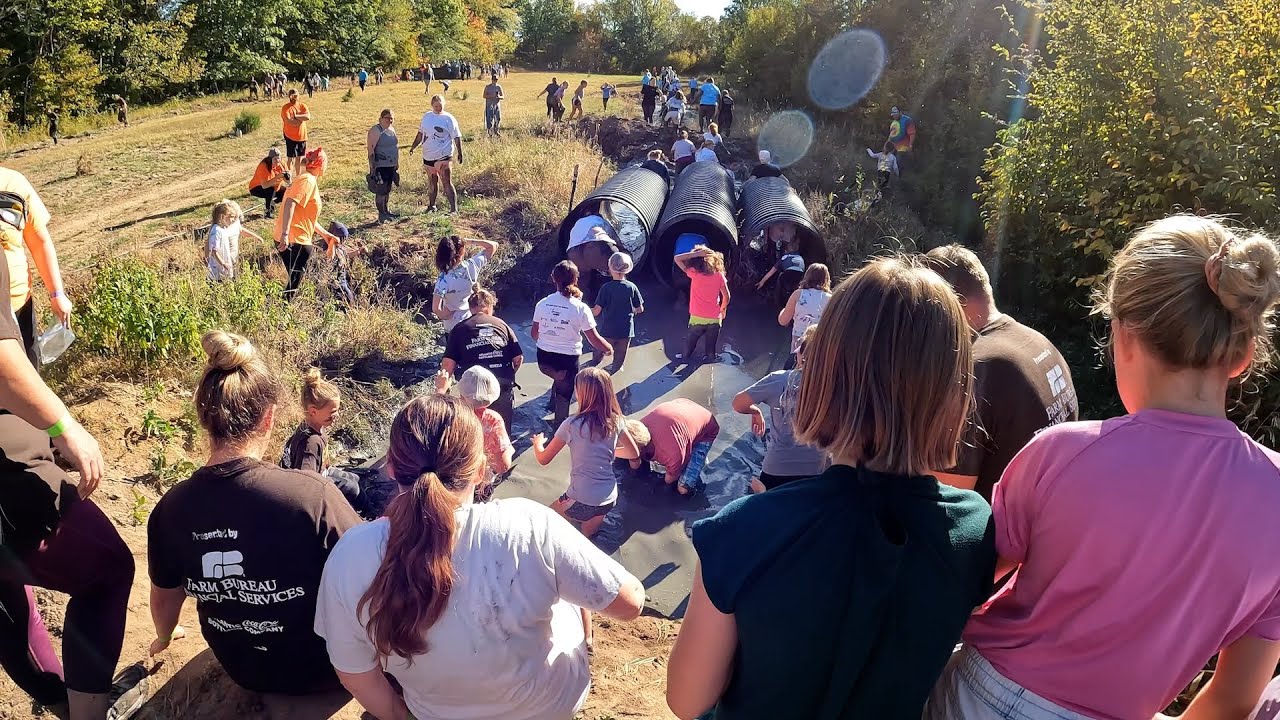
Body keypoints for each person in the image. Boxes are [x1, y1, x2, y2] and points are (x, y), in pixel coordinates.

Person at [925, 215, 1280, 720]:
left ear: (1124, 334)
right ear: (1243, 354)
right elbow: (1233, 699)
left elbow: (965, 581)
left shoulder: (1061, 453)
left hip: (988, 698)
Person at [667, 257, 995, 720]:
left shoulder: (743, 530)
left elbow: (686, 700)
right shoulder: (975, 531)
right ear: (955, 395)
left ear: (819, 376)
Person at [314, 394, 645, 720]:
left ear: (390, 467)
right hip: (548, 707)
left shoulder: (351, 554)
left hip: (437, 713)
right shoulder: (530, 523)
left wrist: (402, 715)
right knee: (567, 590)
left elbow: (353, 670)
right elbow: (630, 604)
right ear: (480, 470)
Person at [147, 331, 361, 695]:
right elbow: (370, 577)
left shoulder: (170, 509)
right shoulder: (313, 496)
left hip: (242, 668)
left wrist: (165, 637)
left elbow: (165, 598)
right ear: (268, 418)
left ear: (203, 418)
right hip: (325, 668)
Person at [0, 236, 135, 719]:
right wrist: (62, 422)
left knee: (9, 599)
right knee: (107, 569)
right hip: (7, 473)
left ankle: (65, 706)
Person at [920, 245, 1078, 499]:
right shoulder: (1039, 343)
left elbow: (946, 502)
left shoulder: (972, 371)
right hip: (1051, 516)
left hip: (999, 533)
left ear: (940, 302)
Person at [531, 367, 640, 538]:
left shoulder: (571, 424)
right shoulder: (617, 421)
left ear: (579, 392)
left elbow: (544, 459)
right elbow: (634, 453)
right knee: (586, 538)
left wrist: (537, 444)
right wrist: (606, 453)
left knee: (544, 520)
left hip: (580, 498)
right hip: (609, 497)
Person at [733, 325, 828, 493]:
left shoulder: (779, 380)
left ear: (801, 357)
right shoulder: (839, 388)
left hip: (777, 468)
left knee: (768, 512)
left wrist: (755, 411)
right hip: (817, 470)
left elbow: (738, 403)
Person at [0, 166, 73, 364]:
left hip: (19, 305)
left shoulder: (13, 183)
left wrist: (57, 294)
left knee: (29, 373)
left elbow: (39, 242)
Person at [532, 261, 613, 427]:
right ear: (576, 279)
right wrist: (608, 348)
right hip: (567, 361)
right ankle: (559, 427)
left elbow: (534, 334)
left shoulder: (542, 303)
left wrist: (551, 339)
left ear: (553, 279)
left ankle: (550, 405)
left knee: (558, 376)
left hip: (544, 361)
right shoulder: (580, 308)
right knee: (565, 393)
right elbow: (593, 338)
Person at [280, 367, 364, 513]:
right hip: (314, 483)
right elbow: (306, 483)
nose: (336, 415)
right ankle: (359, 515)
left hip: (322, 471)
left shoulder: (312, 424)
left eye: (337, 410)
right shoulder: (311, 443)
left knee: (355, 478)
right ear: (313, 411)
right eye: (332, 413)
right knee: (353, 489)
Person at [437, 287, 523, 430]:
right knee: (501, 430)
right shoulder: (502, 325)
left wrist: (443, 389)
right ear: (490, 306)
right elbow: (518, 359)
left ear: (470, 308)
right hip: (501, 383)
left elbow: (448, 364)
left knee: (470, 431)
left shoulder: (459, 329)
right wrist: (509, 375)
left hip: (472, 388)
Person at [274, 147, 343, 300]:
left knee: (295, 281)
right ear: (321, 164)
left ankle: (284, 311)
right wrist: (286, 234)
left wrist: (325, 234)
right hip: (295, 239)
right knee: (302, 279)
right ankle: (285, 313)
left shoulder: (305, 179)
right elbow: (290, 203)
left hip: (293, 237)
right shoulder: (307, 180)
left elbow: (305, 216)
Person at [625, 399, 719, 496]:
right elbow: (633, 457)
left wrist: (664, 488)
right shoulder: (634, 430)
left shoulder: (670, 454)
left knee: (683, 488)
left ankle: (697, 457)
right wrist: (633, 473)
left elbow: (670, 479)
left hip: (706, 426)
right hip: (681, 406)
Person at [456, 366, 515, 491]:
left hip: (453, 479)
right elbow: (503, 466)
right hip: (481, 481)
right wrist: (508, 450)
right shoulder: (492, 420)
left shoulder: (452, 415)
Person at [674, 245, 730, 364]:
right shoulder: (719, 275)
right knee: (711, 351)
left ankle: (684, 360)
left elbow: (677, 259)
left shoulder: (694, 273)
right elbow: (727, 296)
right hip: (715, 318)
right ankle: (709, 367)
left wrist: (697, 254)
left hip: (697, 317)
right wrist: (723, 309)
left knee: (689, 345)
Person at [432, 235, 499, 332]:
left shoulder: (443, 279)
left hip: (453, 325)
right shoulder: (472, 265)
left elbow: (436, 308)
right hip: (471, 318)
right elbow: (493, 245)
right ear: (461, 252)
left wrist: (444, 315)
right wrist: (470, 241)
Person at [409, 95, 464, 214]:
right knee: (432, 182)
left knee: (446, 181)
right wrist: (413, 146)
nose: (438, 108)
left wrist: (460, 152)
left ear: (444, 104)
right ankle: (432, 206)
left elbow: (457, 136)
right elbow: (420, 134)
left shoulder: (449, 118)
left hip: (443, 156)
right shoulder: (426, 117)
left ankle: (454, 209)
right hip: (428, 156)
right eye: (436, 106)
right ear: (432, 105)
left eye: (440, 105)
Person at [591, 251, 644, 373]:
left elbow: (596, 312)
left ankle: (594, 369)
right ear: (628, 268)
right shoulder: (632, 287)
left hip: (607, 330)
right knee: (619, 358)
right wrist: (633, 311)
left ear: (610, 267)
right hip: (626, 331)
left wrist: (584, 309)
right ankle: (615, 372)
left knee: (598, 352)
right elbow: (640, 309)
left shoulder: (606, 288)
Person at [778, 263, 831, 368]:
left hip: (798, 346)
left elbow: (783, 321)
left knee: (793, 374)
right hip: (819, 347)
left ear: (807, 276)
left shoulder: (798, 294)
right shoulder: (831, 299)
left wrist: (783, 310)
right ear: (826, 279)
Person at [565, 207, 621, 302]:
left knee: (581, 279)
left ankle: (580, 302)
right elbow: (618, 243)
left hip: (575, 253)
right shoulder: (603, 222)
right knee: (613, 268)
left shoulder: (580, 222)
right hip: (598, 251)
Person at [205, 199, 263, 282]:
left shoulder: (227, 226)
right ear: (223, 216)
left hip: (231, 258)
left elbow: (240, 230)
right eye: (233, 217)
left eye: (236, 217)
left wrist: (256, 237)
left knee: (231, 278)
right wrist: (215, 262)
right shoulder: (218, 230)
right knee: (220, 282)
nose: (234, 219)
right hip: (220, 264)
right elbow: (213, 249)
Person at [755, 225, 805, 305]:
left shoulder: (784, 258)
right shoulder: (800, 257)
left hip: (787, 274)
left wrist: (762, 282)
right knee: (795, 287)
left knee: (780, 278)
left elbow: (771, 272)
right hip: (799, 274)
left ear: (786, 250)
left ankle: (778, 301)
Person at [366, 108, 399, 223]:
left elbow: (395, 147)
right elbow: (371, 150)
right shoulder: (376, 130)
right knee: (381, 191)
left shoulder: (391, 130)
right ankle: (381, 214)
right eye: (387, 118)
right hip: (380, 166)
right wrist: (372, 168)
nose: (389, 120)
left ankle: (386, 211)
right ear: (381, 118)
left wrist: (396, 163)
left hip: (391, 165)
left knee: (387, 189)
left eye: (391, 118)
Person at [247, 147, 287, 218]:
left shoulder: (282, 164)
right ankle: (268, 212)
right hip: (256, 188)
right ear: (270, 159)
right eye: (275, 159)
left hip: (274, 187)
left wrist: (288, 180)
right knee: (270, 190)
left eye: (279, 158)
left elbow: (287, 179)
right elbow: (264, 186)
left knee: (286, 192)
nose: (277, 161)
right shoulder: (263, 166)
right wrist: (278, 177)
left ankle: (273, 202)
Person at [280, 89, 311, 178]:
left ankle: (298, 177)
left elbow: (307, 116)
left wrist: (296, 116)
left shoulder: (302, 106)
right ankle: (288, 177)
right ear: (289, 96)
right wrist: (300, 119)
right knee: (291, 158)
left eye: (296, 95)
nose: (295, 97)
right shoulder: (286, 108)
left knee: (299, 158)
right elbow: (289, 121)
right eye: (293, 95)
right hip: (290, 136)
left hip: (302, 136)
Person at [888, 106, 916, 172]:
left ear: (900, 112)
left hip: (904, 147)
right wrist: (887, 146)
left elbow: (912, 133)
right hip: (894, 147)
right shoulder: (893, 123)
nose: (894, 116)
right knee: (889, 163)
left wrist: (910, 145)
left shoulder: (907, 120)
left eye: (895, 114)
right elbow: (891, 136)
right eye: (893, 114)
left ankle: (900, 179)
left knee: (899, 162)